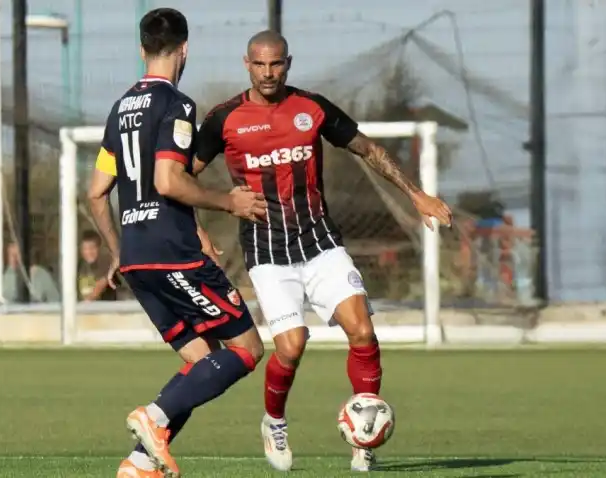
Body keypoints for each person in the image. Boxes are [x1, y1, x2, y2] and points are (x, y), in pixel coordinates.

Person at [193, 30, 453, 472]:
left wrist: (416, 194)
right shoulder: (225, 118)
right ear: (247, 64)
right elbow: (182, 178)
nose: (268, 73)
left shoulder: (311, 108)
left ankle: (364, 436)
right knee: (292, 346)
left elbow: (368, 149)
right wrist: (198, 229)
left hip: (320, 243)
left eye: (276, 64)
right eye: (260, 64)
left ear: (288, 63)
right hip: (267, 250)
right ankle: (274, 421)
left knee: (363, 332)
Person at [86, 9, 269, 478]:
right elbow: (169, 181)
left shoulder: (120, 109)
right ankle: (154, 416)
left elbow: (96, 193)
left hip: (137, 258)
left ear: (141, 49)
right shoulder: (177, 105)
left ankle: (139, 463)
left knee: (201, 361)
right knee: (247, 349)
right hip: (173, 253)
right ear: (184, 49)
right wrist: (228, 202)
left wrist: (118, 251)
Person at [77, 231, 117, 301]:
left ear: (99, 248)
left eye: (92, 248)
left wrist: (86, 303)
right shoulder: (80, 265)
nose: (88, 252)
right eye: (84, 248)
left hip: (104, 306)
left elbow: (100, 285)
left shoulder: (105, 261)